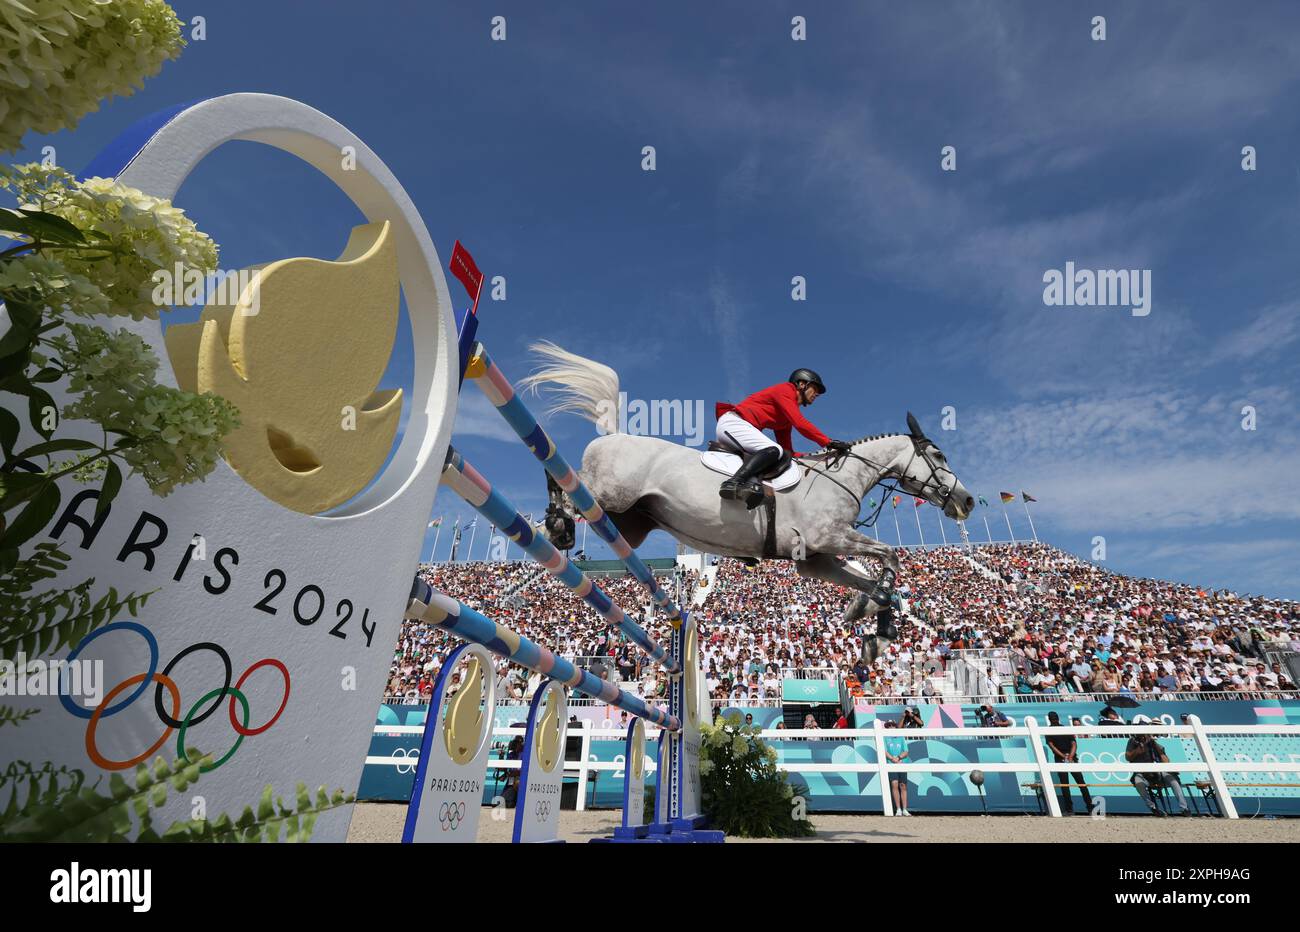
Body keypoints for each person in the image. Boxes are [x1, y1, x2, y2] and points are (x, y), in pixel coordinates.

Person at [714, 368, 848, 508]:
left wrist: (814, 457)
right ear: (802, 384)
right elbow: (800, 423)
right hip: (733, 423)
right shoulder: (786, 389)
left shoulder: (785, 418)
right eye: (815, 389)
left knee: (781, 453)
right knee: (774, 450)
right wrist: (829, 442)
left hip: (738, 428)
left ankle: (750, 483)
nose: (817, 394)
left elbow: (788, 450)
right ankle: (734, 483)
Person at [1125, 732, 1191, 816]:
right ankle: (1153, 808)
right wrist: (1139, 749)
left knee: (1173, 780)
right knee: (1138, 782)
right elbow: (1127, 757)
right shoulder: (1133, 741)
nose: (1144, 736)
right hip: (1143, 773)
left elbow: (1166, 762)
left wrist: (1154, 744)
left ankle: (1184, 808)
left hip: (1159, 772)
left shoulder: (1155, 745)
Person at [1045, 711, 1093, 815]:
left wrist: (1064, 757)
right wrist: (1070, 757)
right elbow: (1074, 743)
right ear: (1058, 718)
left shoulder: (1048, 730)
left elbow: (1052, 746)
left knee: (1065, 785)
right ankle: (1090, 807)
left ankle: (1069, 809)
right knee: (1081, 783)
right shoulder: (1065, 728)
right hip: (1071, 758)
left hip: (1060, 758)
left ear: (1049, 719)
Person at [884, 721, 911, 816]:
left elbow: (906, 751)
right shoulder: (885, 738)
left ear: (896, 727)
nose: (891, 727)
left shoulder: (901, 737)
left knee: (903, 785)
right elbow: (884, 751)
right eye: (889, 726)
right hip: (891, 764)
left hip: (901, 763)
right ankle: (898, 809)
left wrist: (898, 758)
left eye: (892, 725)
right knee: (894, 784)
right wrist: (892, 759)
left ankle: (905, 809)